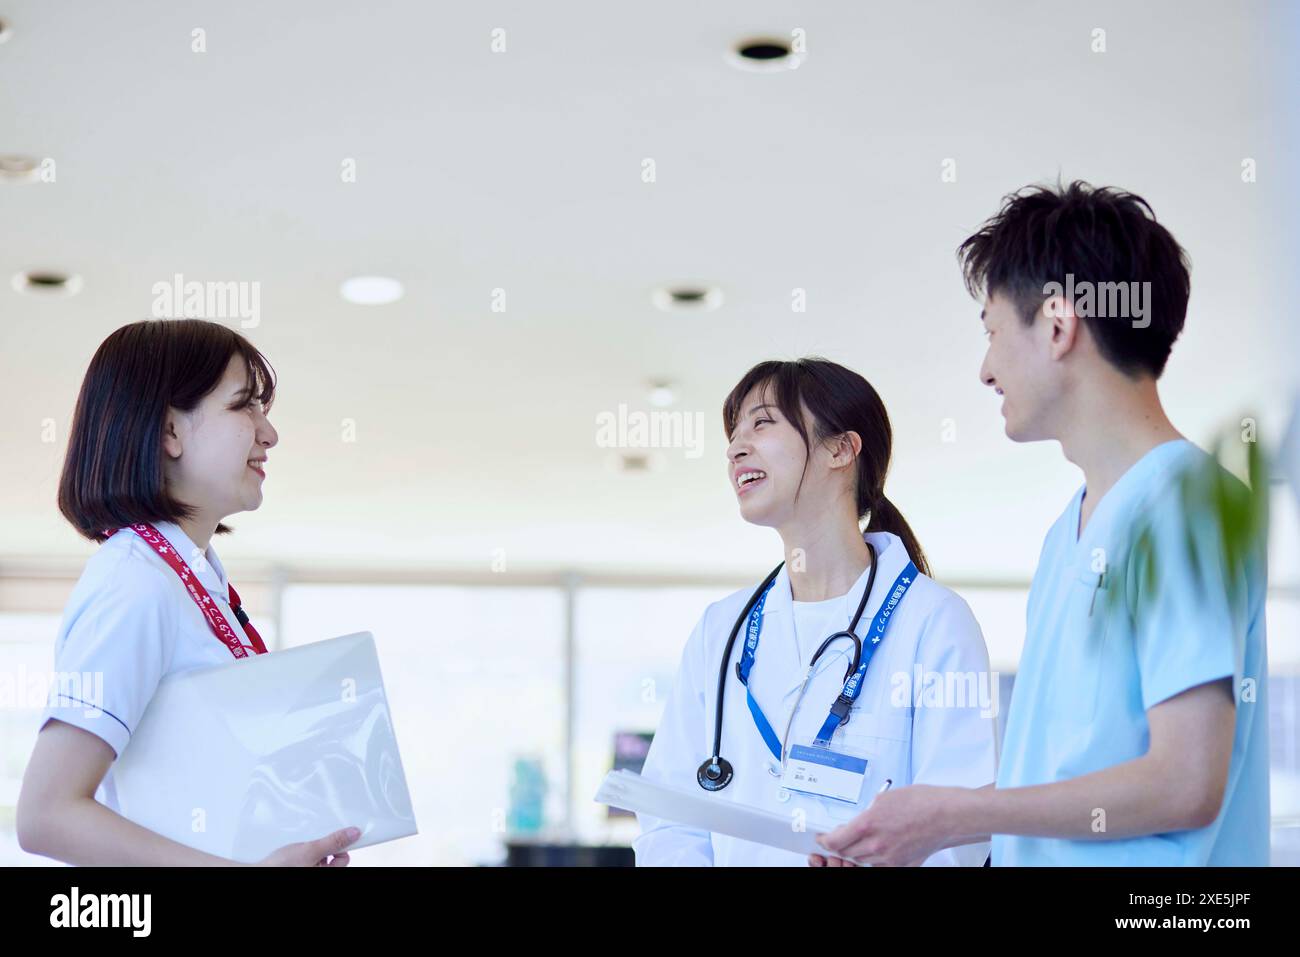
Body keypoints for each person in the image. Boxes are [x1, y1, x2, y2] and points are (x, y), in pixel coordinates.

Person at [814, 181, 1269, 867]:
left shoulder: (1185, 506)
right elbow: (1068, 779)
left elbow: (1184, 783)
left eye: (993, 331)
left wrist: (956, 813)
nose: (985, 369)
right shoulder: (1068, 534)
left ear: (1058, 326)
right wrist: (907, 831)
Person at [16, 319, 359, 866]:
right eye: (244, 406)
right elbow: (46, 815)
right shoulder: (135, 580)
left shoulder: (190, 579)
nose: (269, 434)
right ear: (168, 431)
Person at [635, 358, 997, 866]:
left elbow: (962, 827)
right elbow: (669, 814)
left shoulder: (934, 622)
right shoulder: (721, 628)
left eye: (762, 423)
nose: (735, 448)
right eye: (733, 434)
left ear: (840, 449)